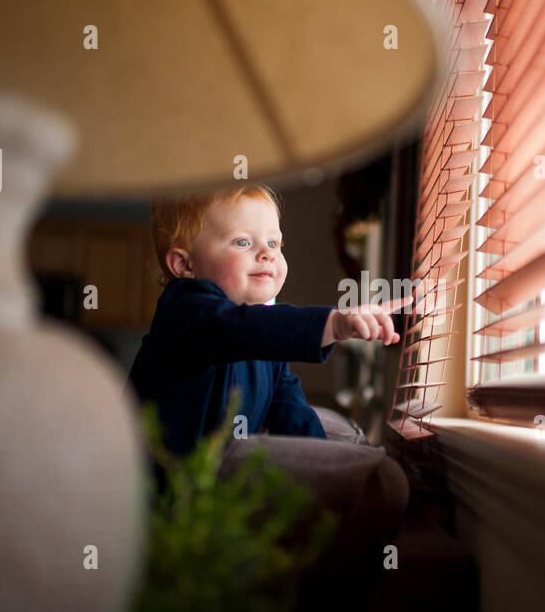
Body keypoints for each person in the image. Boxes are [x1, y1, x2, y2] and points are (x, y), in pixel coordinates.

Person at [128, 182, 406, 460]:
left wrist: (329, 459)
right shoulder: (185, 310)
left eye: (274, 243)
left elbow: (287, 407)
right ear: (185, 265)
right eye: (243, 242)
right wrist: (332, 324)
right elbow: (241, 328)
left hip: (219, 488)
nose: (268, 253)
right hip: (155, 486)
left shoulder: (264, 338)